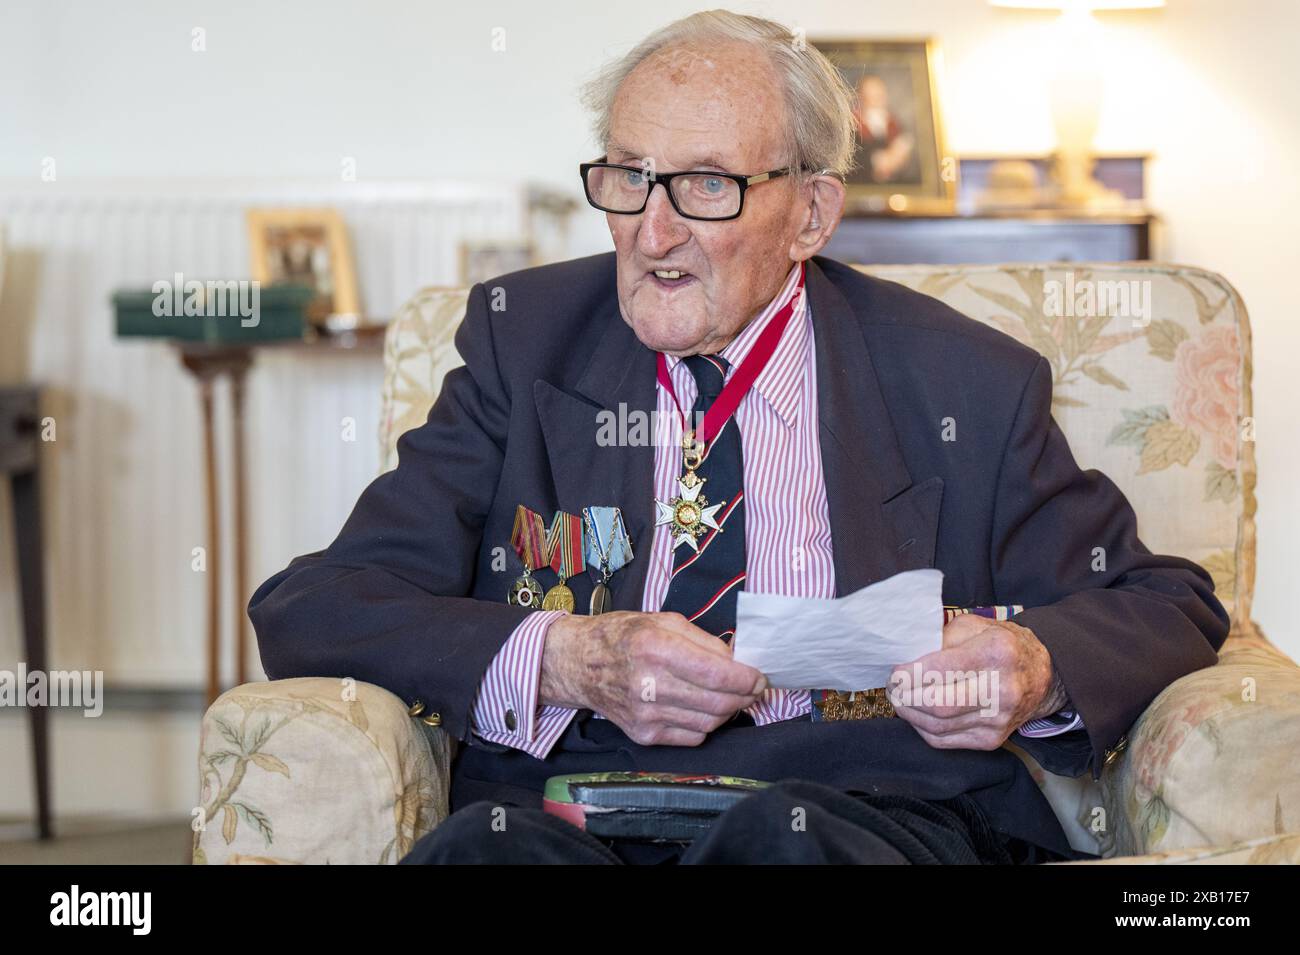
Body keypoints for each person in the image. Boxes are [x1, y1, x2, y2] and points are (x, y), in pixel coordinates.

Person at [249, 10, 1227, 864]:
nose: (651, 229)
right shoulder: (524, 343)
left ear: (809, 213)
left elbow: (1162, 602)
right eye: (629, 176)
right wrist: (562, 656)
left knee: (781, 844)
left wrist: (1028, 662)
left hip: (860, 811)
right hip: (570, 814)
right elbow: (319, 604)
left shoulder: (959, 377)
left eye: (705, 185)